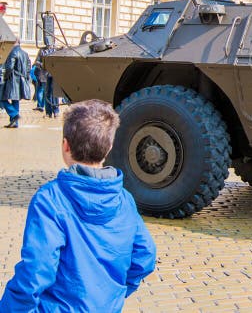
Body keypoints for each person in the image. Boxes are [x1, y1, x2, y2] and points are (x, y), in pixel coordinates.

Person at [0, 99, 156, 312]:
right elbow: (145, 255)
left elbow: (36, 270)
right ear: (109, 147)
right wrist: (117, 292)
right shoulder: (124, 199)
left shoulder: (50, 200)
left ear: (65, 145)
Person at [0, 38, 32, 128]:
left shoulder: (13, 52)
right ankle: (14, 123)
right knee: (15, 100)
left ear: (14, 43)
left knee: (1, 98)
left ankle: (14, 114)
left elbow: (9, 67)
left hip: (13, 80)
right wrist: (26, 77)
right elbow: (29, 67)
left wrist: (5, 77)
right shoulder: (25, 53)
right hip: (21, 80)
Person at [32, 47, 46, 112]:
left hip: (42, 74)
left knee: (40, 90)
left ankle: (40, 105)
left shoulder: (42, 50)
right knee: (42, 90)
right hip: (42, 74)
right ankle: (41, 105)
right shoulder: (45, 50)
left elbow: (36, 62)